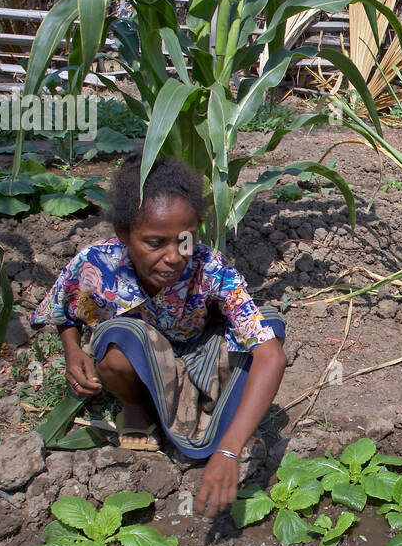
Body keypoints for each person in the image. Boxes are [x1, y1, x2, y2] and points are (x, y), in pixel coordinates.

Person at [31, 155, 287, 518]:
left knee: (269, 325)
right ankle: (137, 405)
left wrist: (228, 451)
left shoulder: (209, 267)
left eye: (184, 241)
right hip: (143, 357)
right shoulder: (97, 265)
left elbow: (271, 355)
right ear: (124, 235)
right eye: (154, 243)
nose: (173, 256)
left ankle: (213, 410)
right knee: (118, 342)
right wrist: (73, 352)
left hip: (202, 349)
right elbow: (65, 311)